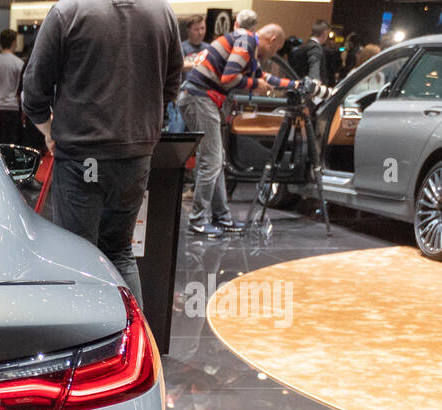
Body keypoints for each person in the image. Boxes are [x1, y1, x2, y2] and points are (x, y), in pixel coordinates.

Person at [21, 0, 182, 308]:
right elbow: (171, 84)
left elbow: (34, 88)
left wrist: (48, 130)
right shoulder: (162, 12)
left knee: (77, 255)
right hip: (136, 155)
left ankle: (85, 334)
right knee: (120, 251)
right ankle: (133, 333)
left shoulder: (68, 11)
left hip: (83, 157)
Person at [178, 23, 302, 238]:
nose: (274, 54)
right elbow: (229, 78)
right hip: (199, 98)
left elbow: (264, 78)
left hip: (199, 98)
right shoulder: (246, 41)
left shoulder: (247, 45)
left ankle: (222, 218)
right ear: (272, 40)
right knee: (212, 161)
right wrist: (255, 85)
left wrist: (295, 85)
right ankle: (197, 221)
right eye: (277, 49)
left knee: (216, 160)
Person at [296, 20, 333, 86]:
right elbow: (314, 62)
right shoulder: (315, 47)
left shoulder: (304, 45)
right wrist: (315, 79)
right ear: (324, 33)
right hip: (311, 87)